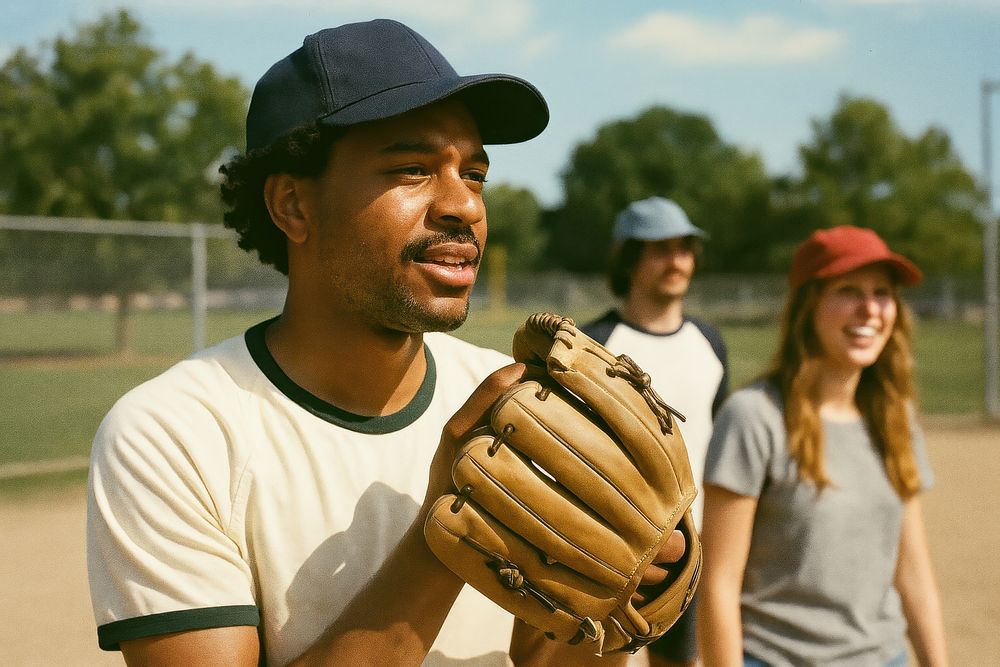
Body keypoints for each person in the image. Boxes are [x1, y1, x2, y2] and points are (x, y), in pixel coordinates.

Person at [86, 19, 684, 666]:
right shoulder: (174, 434)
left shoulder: (524, 407)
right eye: (413, 168)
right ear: (292, 205)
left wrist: (615, 598)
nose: (465, 205)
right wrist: (444, 537)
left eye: (475, 173)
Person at [698, 226, 949, 666]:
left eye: (882, 292)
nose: (869, 309)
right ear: (808, 305)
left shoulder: (896, 419)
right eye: (848, 290)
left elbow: (912, 572)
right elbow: (718, 583)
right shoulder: (754, 417)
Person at [581, 197, 729, 667]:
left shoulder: (710, 342)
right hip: (613, 542)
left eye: (684, 248)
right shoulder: (596, 343)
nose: (677, 261)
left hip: (694, 544)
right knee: (599, 661)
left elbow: (720, 443)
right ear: (630, 259)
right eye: (660, 249)